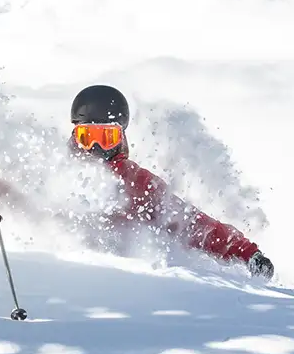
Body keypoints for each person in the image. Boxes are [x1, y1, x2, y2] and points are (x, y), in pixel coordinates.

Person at [62, 84, 275, 280]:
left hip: (121, 279)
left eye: (107, 138)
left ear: (121, 138)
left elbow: (191, 223)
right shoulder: (56, 173)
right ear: (75, 135)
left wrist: (246, 252)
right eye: (87, 138)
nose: (96, 148)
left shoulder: (136, 183)